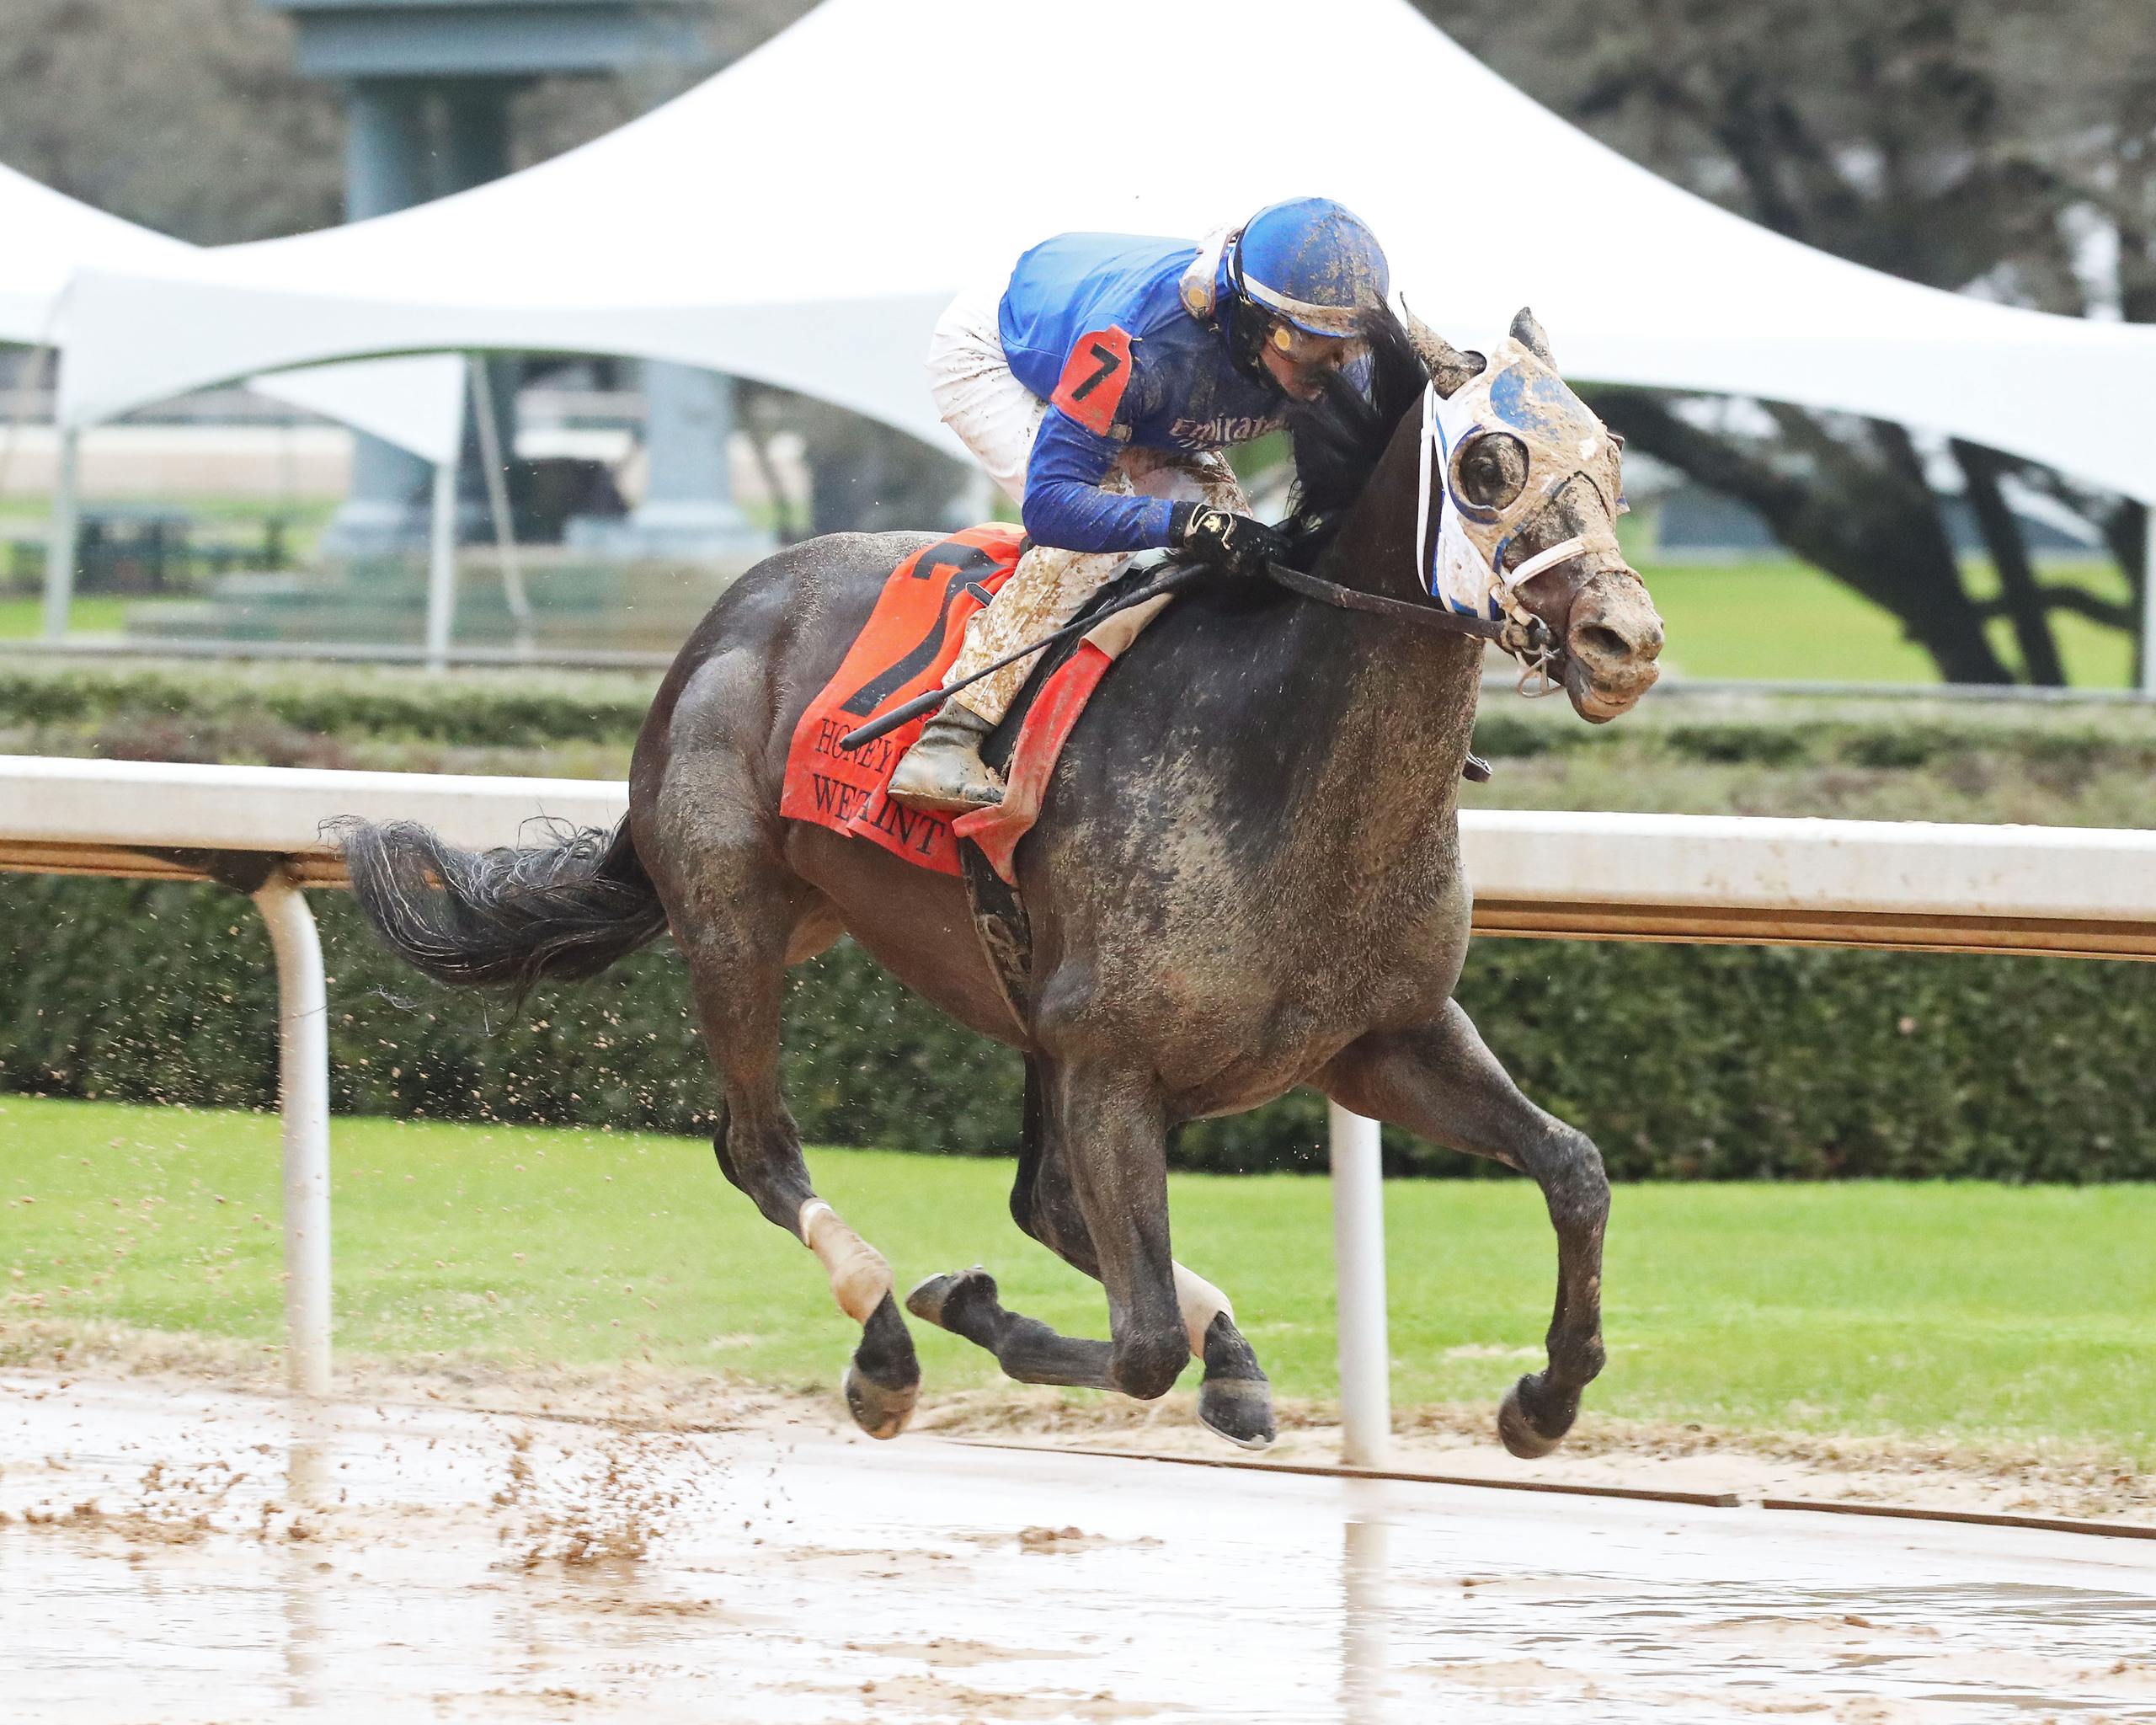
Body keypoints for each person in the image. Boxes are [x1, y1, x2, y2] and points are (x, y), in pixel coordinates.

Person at [887, 196, 1391, 813]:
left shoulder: (1329, 351)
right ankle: (948, 738)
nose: (1333, 372)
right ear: (1254, 320)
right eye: (1311, 347)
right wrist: (1181, 521)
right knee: (1101, 540)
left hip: (1145, 399)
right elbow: (1052, 504)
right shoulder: (1136, 342)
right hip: (1000, 355)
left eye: (1348, 348)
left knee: (1237, 546)